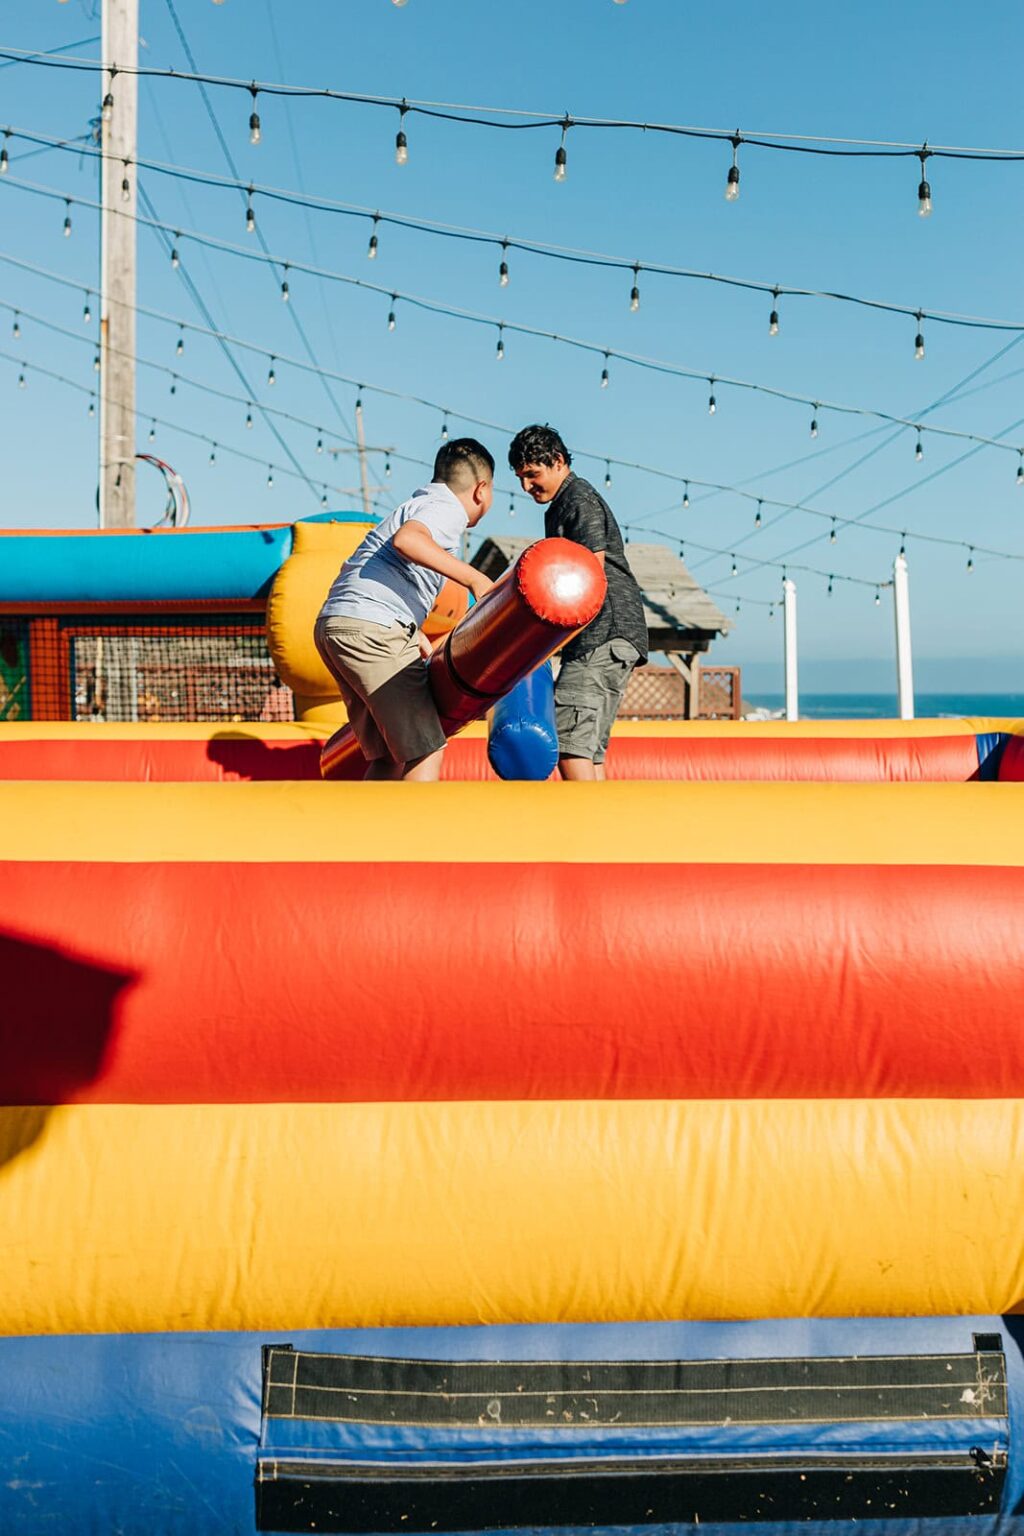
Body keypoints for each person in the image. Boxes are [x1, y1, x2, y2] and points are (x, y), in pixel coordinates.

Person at [314, 438, 495, 781]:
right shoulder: (447, 509)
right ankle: (417, 819)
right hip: (372, 628)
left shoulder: (418, 504)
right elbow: (408, 541)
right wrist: (475, 579)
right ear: (481, 490)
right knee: (426, 750)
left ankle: (376, 819)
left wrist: (413, 630)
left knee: (389, 756)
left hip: (337, 623)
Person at [508, 424, 648, 781]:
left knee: (570, 745)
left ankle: (584, 818)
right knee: (590, 750)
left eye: (532, 474)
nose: (526, 486)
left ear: (557, 461)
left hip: (600, 634)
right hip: (615, 635)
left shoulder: (577, 500)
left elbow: (590, 574)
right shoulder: (565, 503)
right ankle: (600, 816)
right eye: (520, 478)